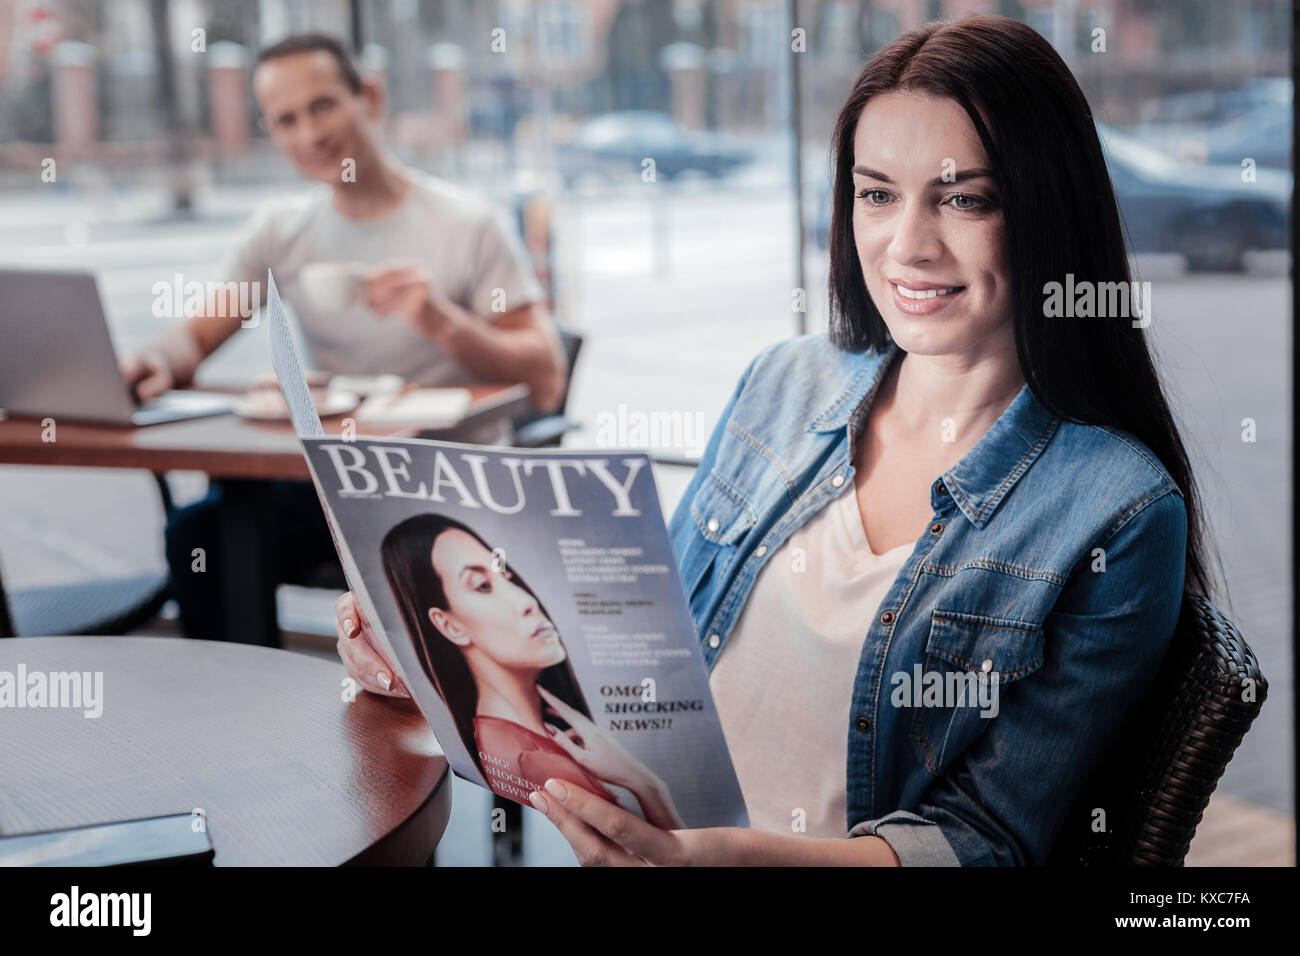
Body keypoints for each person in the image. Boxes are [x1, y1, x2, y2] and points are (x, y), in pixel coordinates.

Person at [335, 14, 1219, 866]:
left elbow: (987, 841)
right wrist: (426, 659)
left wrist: (730, 861)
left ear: (1046, 210)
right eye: (876, 194)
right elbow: (645, 660)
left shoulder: (1116, 509)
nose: (906, 245)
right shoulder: (786, 381)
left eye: (964, 199)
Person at [120, 33, 567, 642]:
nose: (309, 134)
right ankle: (234, 708)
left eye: (323, 105)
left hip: (454, 486)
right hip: (341, 481)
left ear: (370, 97)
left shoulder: (464, 224)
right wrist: (151, 360)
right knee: (204, 534)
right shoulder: (281, 231)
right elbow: (194, 340)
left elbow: (546, 375)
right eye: (286, 119)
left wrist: (440, 321)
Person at [372, 513, 685, 829]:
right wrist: (647, 786)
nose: (526, 601)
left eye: (506, 577)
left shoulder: (541, 738)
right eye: (482, 585)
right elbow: (667, 859)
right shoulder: (527, 759)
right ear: (449, 625)